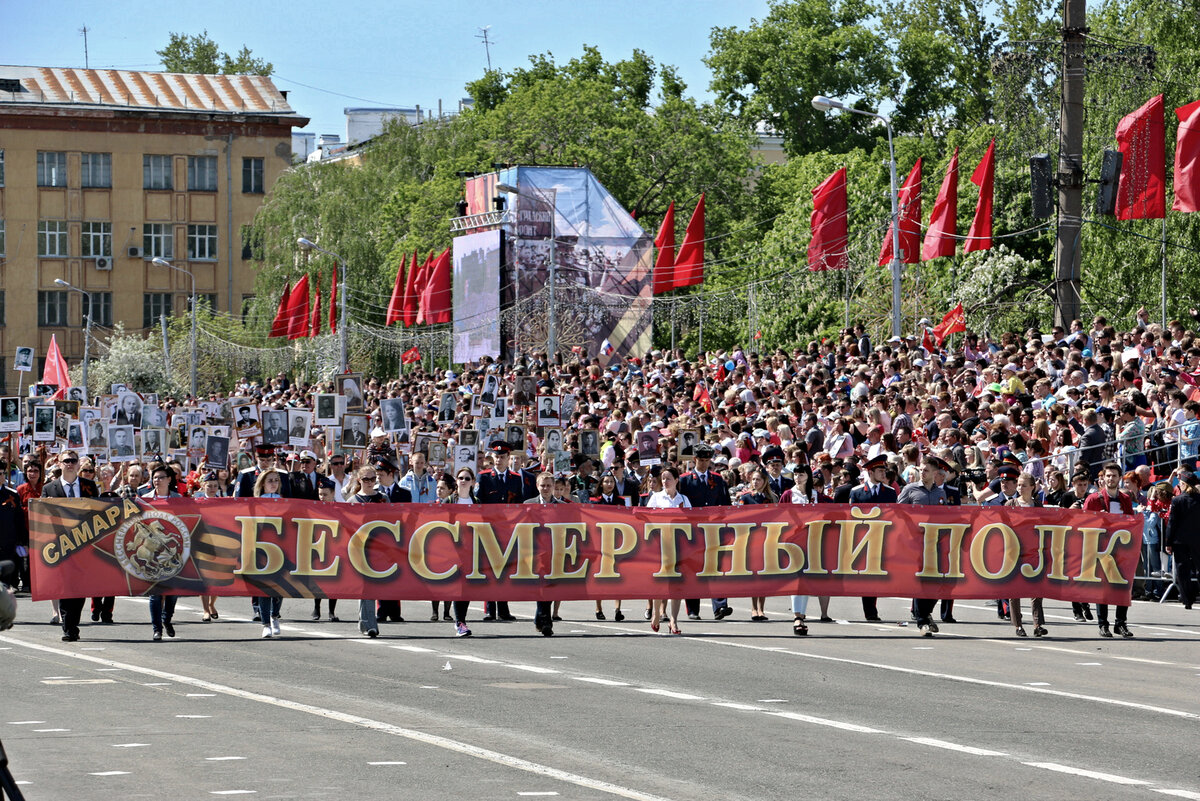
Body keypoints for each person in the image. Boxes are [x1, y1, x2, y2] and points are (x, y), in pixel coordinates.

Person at [41, 450, 100, 641]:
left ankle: (73, 622)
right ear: (59, 463)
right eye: (66, 460)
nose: (70, 464)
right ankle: (68, 627)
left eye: (73, 461)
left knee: (80, 587)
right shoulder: (50, 488)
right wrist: (46, 506)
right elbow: (41, 518)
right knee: (66, 586)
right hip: (61, 543)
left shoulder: (89, 486)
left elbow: (98, 512)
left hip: (84, 542)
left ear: (78, 464)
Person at [897, 455, 949, 637]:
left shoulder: (940, 493)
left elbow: (946, 517)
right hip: (916, 542)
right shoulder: (910, 490)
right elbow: (897, 513)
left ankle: (926, 613)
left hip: (935, 543)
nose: (922, 473)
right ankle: (922, 621)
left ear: (935, 473)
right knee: (920, 581)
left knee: (939, 581)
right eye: (921, 469)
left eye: (926, 470)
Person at [678, 443, 732, 620]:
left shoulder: (717, 479)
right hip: (692, 531)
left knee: (716, 567)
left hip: (713, 529)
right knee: (693, 569)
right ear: (695, 460)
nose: (704, 463)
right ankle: (693, 609)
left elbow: (725, 504)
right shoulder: (685, 479)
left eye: (707, 460)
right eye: (701, 460)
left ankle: (720, 606)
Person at [1082, 462, 1135, 638]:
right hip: (1100, 549)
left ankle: (1120, 623)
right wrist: (1100, 520)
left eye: (1114, 476)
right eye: (1108, 476)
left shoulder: (1125, 499)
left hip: (1121, 549)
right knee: (1102, 588)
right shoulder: (1093, 499)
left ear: (1119, 478)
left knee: (1123, 586)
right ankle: (1103, 624)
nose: (1110, 479)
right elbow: (1083, 523)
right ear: (1103, 478)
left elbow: (1131, 522)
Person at [781, 464, 831, 634]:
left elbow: (832, 512)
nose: (797, 478)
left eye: (801, 474)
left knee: (809, 579)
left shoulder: (817, 496)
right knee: (797, 579)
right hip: (793, 542)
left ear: (808, 476)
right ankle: (798, 616)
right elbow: (779, 517)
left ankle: (805, 614)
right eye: (795, 475)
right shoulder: (788, 495)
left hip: (814, 541)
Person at [476, 441, 523, 622]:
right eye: (496, 457)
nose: (499, 460)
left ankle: (503, 607)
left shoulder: (515, 478)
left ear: (508, 458)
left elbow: (518, 504)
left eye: (502, 457)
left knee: (505, 569)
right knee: (488, 569)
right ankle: (489, 608)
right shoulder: (484, 477)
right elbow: (478, 503)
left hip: (507, 530)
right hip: (488, 529)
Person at [848, 454, 895, 622]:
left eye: (884, 470)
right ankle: (870, 611)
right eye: (880, 470)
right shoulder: (857, 492)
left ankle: (872, 609)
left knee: (878, 574)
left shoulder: (890, 493)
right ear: (870, 472)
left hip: (883, 538)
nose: (884, 474)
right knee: (867, 574)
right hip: (863, 539)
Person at [645, 466, 690, 635]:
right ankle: (656, 612)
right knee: (660, 581)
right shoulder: (656, 498)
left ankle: (674, 620)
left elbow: (692, 520)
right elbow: (646, 518)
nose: (665, 481)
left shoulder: (684, 499)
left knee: (677, 584)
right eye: (663, 478)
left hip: (678, 546)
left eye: (668, 478)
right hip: (660, 545)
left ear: (676, 480)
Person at [349, 464, 391, 634]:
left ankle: (363, 622)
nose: (369, 482)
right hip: (359, 549)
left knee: (373, 587)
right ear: (359, 480)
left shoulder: (383, 498)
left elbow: (392, 522)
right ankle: (371, 625)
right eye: (365, 479)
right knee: (366, 587)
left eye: (373, 478)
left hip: (379, 549)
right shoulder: (352, 501)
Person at [1006, 472, 1048, 637]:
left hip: (1033, 551)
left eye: (1024, 485)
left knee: (1036, 589)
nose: (1020, 488)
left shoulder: (1038, 506)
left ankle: (1038, 624)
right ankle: (1018, 625)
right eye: (1018, 485)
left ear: (1032, 487)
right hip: (1014, 552)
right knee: (1014, 591)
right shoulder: (1011, 504)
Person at [144, 466, 182, 640]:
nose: (157, 480)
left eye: (161, 477)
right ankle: (156, 628)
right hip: (153, 551)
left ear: (169, 479)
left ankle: (167, 618)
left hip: (174, 551)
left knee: (172, 591)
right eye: (154, 477)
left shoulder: (179, 499)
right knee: (155, 592)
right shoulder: (144, 499)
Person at [524, 471, 563, 636]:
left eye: (548, 485)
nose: (545, 488)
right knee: (542, 584)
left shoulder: (562, 506)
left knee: (551, 584)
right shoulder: (528, 504)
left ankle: (540, 617)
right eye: (542, 485)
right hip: (536, 551)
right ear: (537, 486)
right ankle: (546, 620)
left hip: (556, 551)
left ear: (554, 487)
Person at [737, 467, 776, 621]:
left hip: (767, 538)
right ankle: (754, 608)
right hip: (751, 538)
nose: (755, 482)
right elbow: (738, 517)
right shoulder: (746, 497)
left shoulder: (772, 498)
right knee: (754, 575)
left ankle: (762, 608)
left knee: (764, 575)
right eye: (753, 479)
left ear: (765, 481)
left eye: (758, 479)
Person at [252, 469, 286, 639]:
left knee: (279, 587)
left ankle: (275, 616)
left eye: (276, 480)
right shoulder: (255, 502)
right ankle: (265, 623)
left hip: (280, 548)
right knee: (264, 587)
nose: (273, 483)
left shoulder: (285, 502)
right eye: (270, 480)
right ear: (262, 484)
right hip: (262, 548)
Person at [1165, 472, 1200, 610]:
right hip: (1197, 539)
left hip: (1180, 540)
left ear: (1184, 484)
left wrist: (1168, 541)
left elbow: (1172, 522)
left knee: (1182, 570)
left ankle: (1187, 599)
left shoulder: (1177, 500)